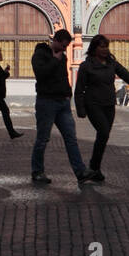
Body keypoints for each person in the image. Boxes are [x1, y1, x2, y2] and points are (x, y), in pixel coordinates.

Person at [30, 29, 97, 185]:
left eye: (66, 47)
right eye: (63, 46)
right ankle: (37, 171)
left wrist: (68, 93)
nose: (65, 49)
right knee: (42, 139)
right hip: (46, 102)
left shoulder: (63, 57)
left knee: (71, 138)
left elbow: (64, 77)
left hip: (63, 103)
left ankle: (80, 172)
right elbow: (40, 74)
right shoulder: (40, 54)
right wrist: (55, 59)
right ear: (56, 41)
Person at [74, 34, 129, 181]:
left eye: (106, 47)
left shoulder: (111, 63)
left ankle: (95, 169)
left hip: (109, 104)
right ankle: (93, 166)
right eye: (102, 47)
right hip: (93, 104)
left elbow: (123, 73)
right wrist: (80, 109)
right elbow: (79, 90)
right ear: (94, 48)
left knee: (103, 136)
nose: (105, 50)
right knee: (103, 132)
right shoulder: (86, 66)